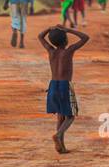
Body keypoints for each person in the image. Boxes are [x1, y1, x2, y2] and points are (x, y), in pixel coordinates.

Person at [38, 24, 90, 154]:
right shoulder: (69, 51)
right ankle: (58, 134)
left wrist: (49, 28)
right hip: (65, 86)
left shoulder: (50, 51)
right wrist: (68, 30)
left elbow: (40, 36)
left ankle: (61, 146)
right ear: (66, 40)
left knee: (60, 117)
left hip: (53, 85)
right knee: (70, 117)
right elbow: (85, 37)